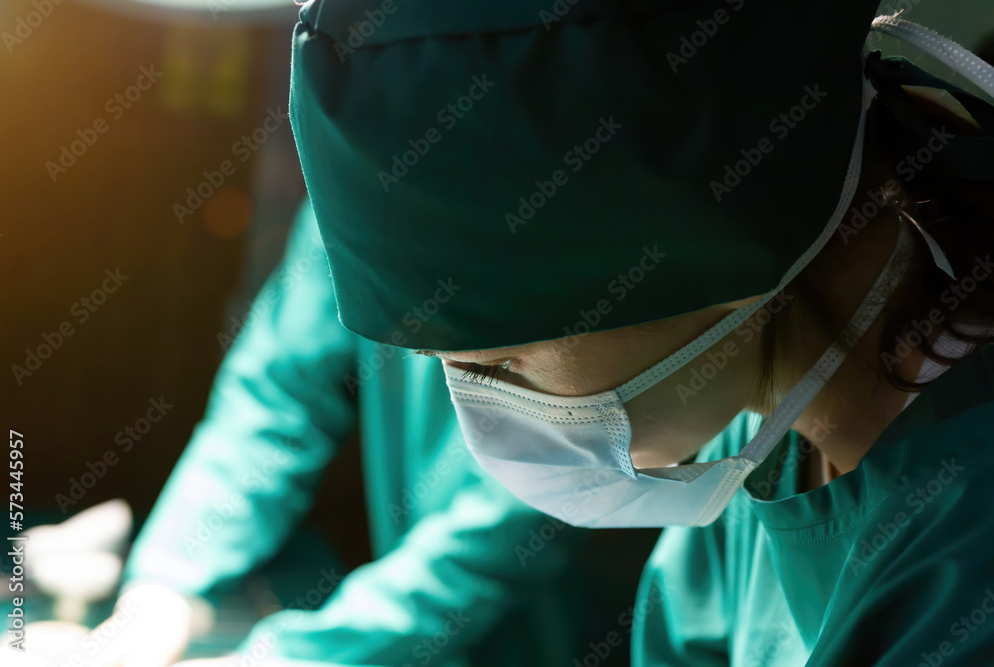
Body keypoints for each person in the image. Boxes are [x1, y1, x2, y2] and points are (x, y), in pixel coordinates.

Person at [288, 2, 994, 665]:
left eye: (504, 362)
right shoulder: (754, 472)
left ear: (718, 244)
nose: (486, 423)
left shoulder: (968, 542)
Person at [83, 199, 653, 667]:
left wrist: (294, 656)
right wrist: (166, 586)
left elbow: (544, 491)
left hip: (579, 624)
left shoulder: (567, 188)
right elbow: (281, 394)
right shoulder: (360, 174)